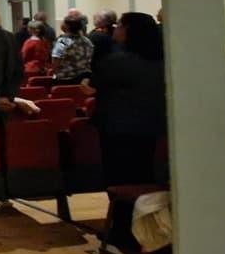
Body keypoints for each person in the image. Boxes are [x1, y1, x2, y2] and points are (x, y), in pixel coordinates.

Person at [85, 12, 167, 186]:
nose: (116, 28)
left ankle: (122, 212)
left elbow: (90, 88)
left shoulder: (114, 61)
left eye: (120, 25)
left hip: (117, 126)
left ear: (129, 30)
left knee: (118, 177)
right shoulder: (162, 60)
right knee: (144, 172)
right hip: (152, 123)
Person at [51, 14, 94, 84]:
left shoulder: (63, 42)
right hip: (84, 79)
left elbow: (55, 62)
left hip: (66, 80)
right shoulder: (87, 41)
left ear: (67, 26)